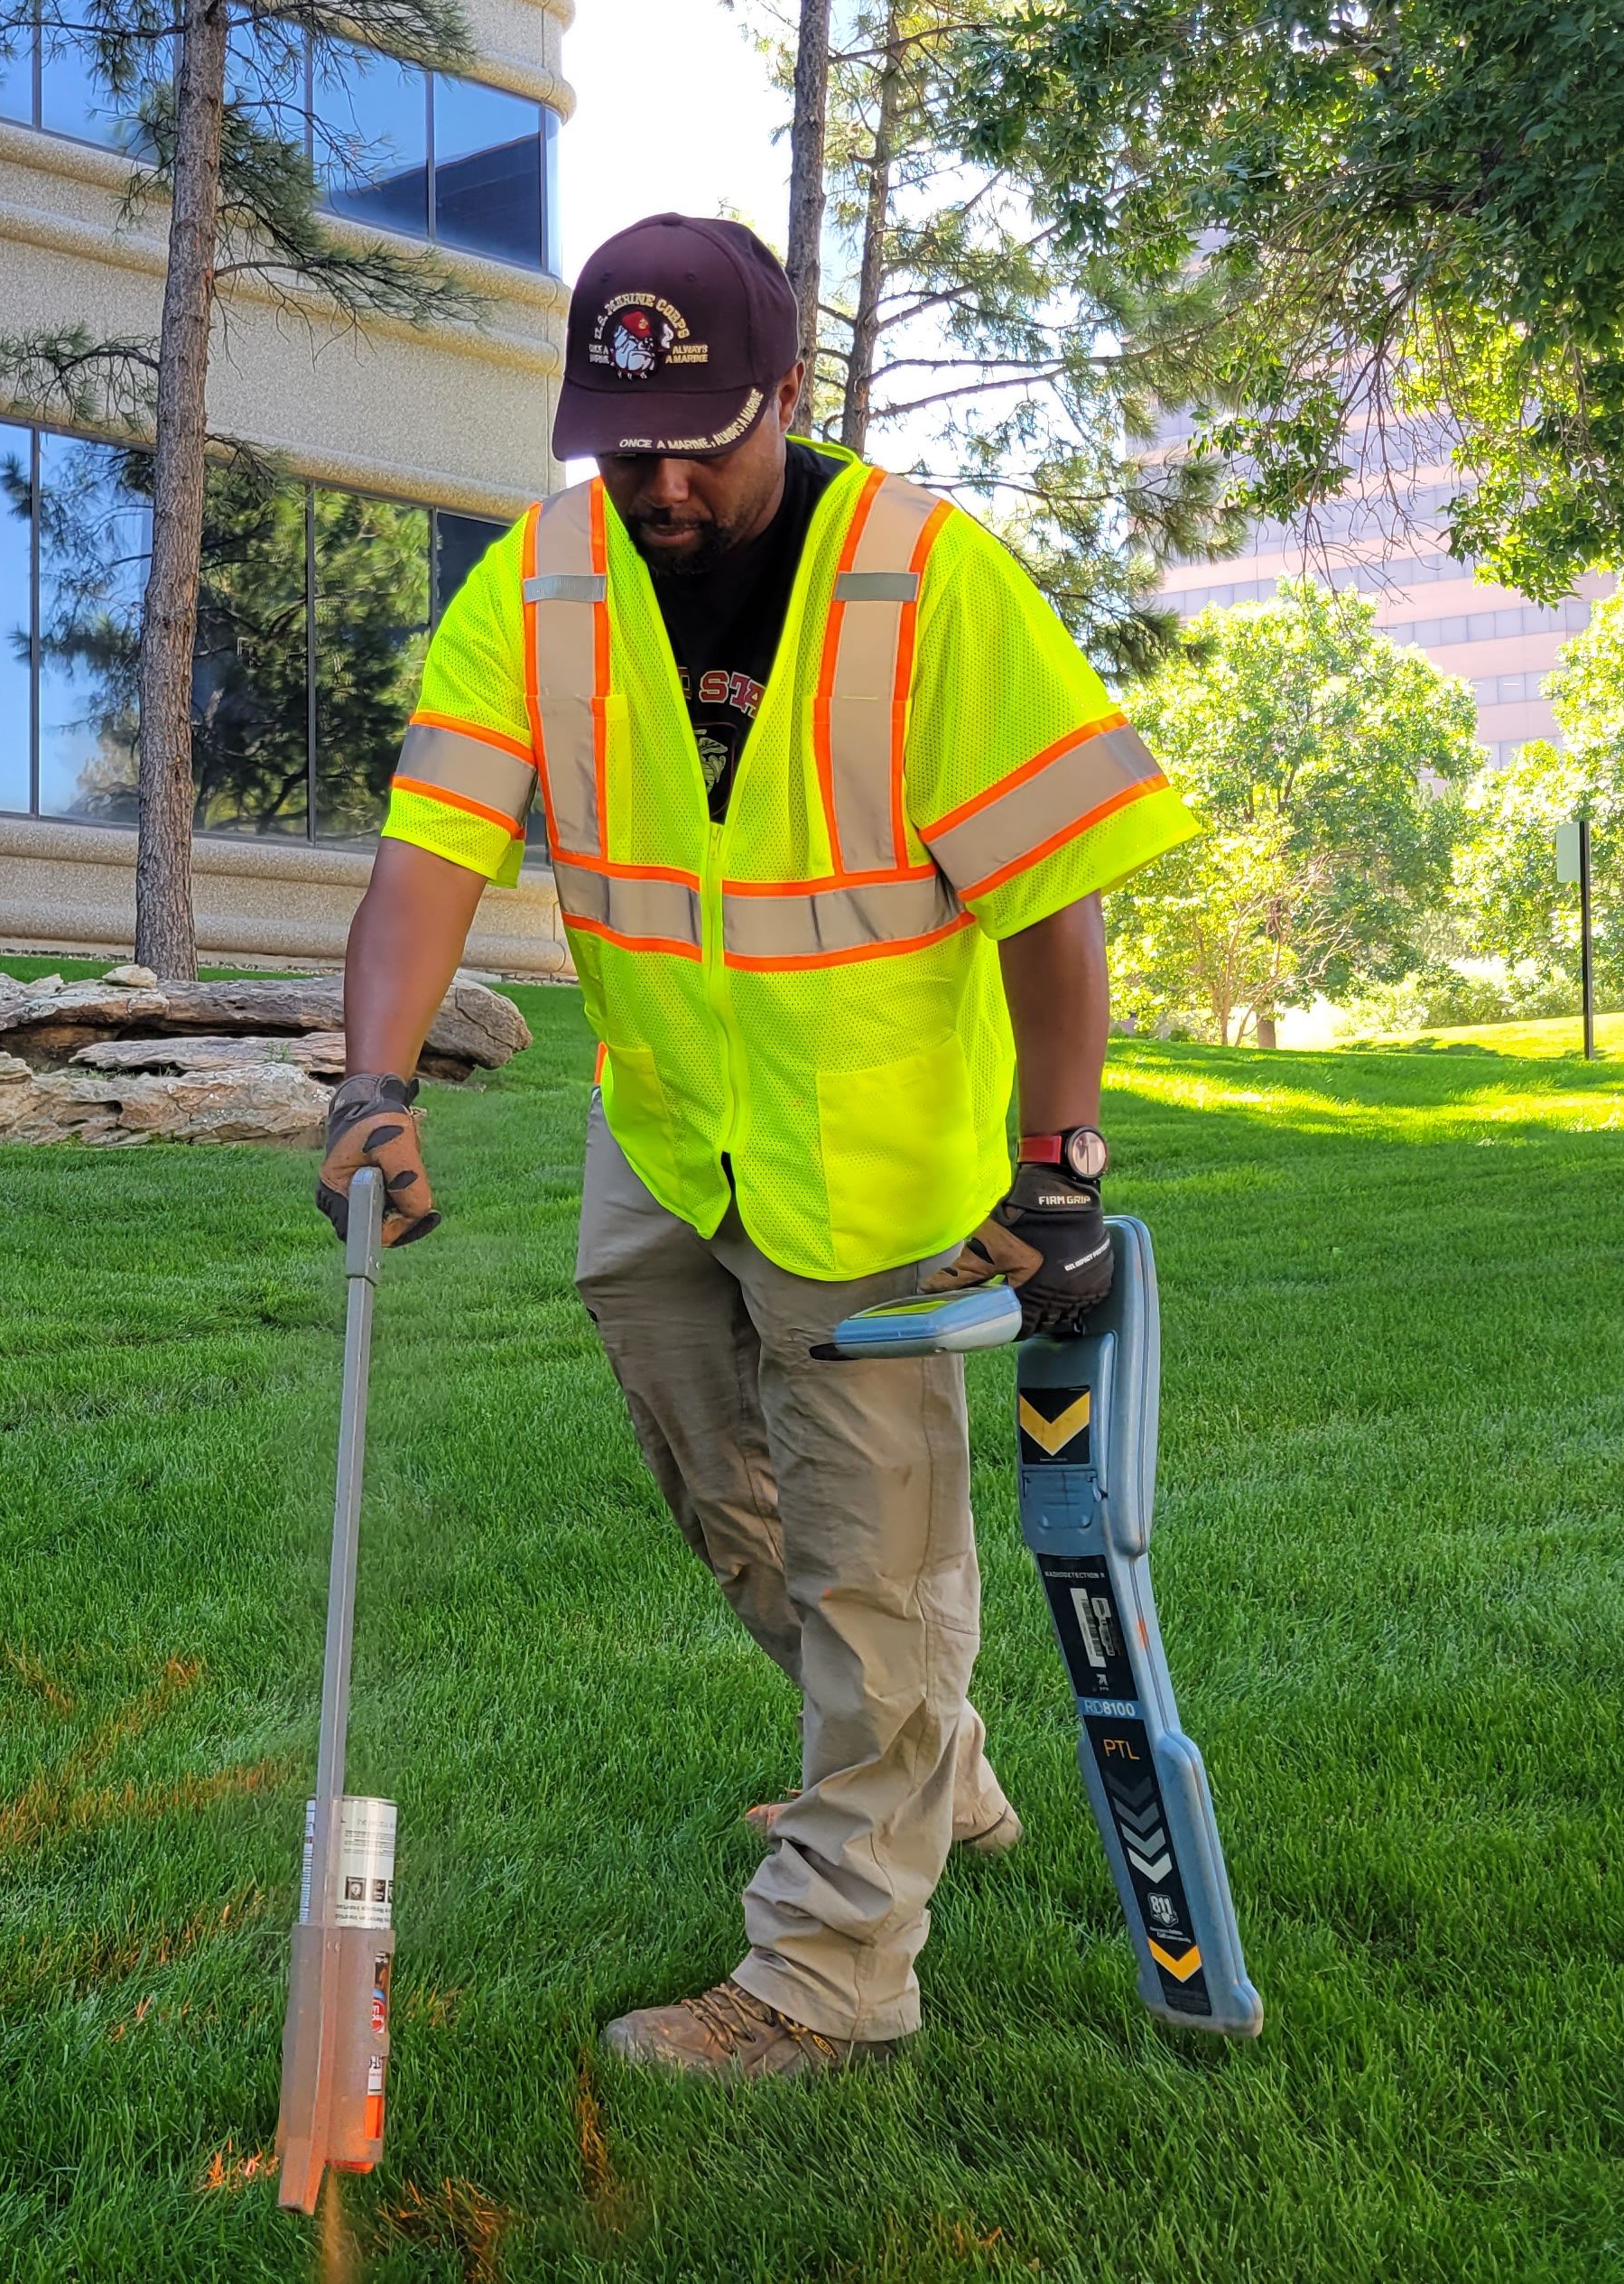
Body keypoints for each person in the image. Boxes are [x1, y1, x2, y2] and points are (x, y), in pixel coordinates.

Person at [318, 215, 1200, 2080]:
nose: (654, 480)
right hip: (668, 1133)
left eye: (694, 439)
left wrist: (1063, 1162)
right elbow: (429, 854)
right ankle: (928, 1772)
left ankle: (829, 1977)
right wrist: (369, 1083)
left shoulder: (923, 583)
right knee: (725, 1495)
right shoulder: (544, 586)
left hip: (878, 1165)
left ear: (785, 397)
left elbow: (1052, 902)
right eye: (620, 441)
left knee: (876, 1572)